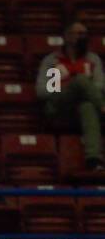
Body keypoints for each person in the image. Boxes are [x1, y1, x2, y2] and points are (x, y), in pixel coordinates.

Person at [37, 21, 104, 171]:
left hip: (83, 108)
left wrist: (80, 90)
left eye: (85, 34)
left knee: (87, 106)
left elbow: (100, 85)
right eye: (79, 34)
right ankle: (103, 106)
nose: (83, 37)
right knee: (80, 80)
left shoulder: (92, 60)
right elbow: (42, 91)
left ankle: (93, 160)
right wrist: (71, 88)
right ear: (67, 36)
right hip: (58, 106)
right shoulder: (53, 61)